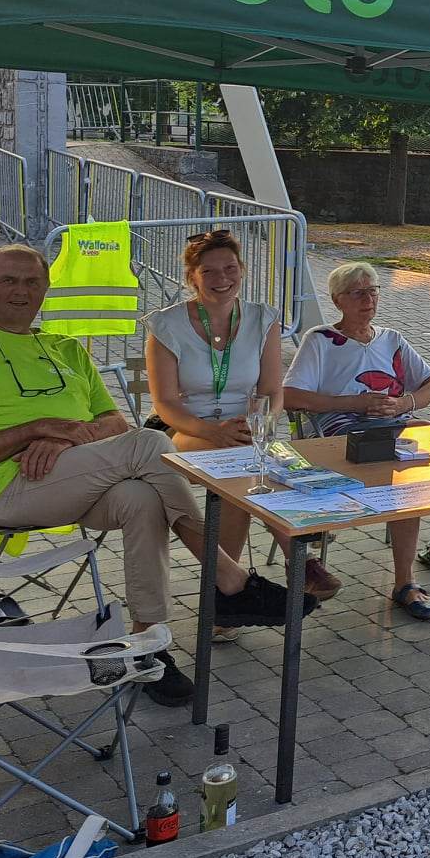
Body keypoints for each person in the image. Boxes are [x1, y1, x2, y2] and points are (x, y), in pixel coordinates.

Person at [0, 244, 316, 707]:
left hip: (75, 478)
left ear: (46, 288)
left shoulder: (64, 348)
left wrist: (67, 438)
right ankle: (227, 579)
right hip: (8, 489)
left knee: (141, 499)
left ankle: (149, 646)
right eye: (9, 280)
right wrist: (35, 429)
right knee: (151, 444)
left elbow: (114, 423)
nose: (21, 291)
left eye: (32, 281)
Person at [284, 261, 430, 622]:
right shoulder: (321, 340)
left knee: (426, 440)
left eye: (373, 291)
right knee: (407, 470)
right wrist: (355, 403)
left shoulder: (391, 339)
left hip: (392, 424)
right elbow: (290, 396)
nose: (368, 300)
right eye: (358, 293)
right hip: (341, 431)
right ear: (338, 300)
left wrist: (404, 403)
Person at [144, 230, 341, 606]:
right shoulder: (167, 325)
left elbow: (273, 391)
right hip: (183, 426)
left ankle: (224, 598)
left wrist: (262, 422)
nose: (222, 279)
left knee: (245, 469)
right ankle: (298, 560)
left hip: (247, 430)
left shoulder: (261, 318)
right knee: (245, 463)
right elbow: (165, 403)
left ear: (243, 270)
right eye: (209, 271)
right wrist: (213, 432)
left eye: (230, 268)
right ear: (192, 277)